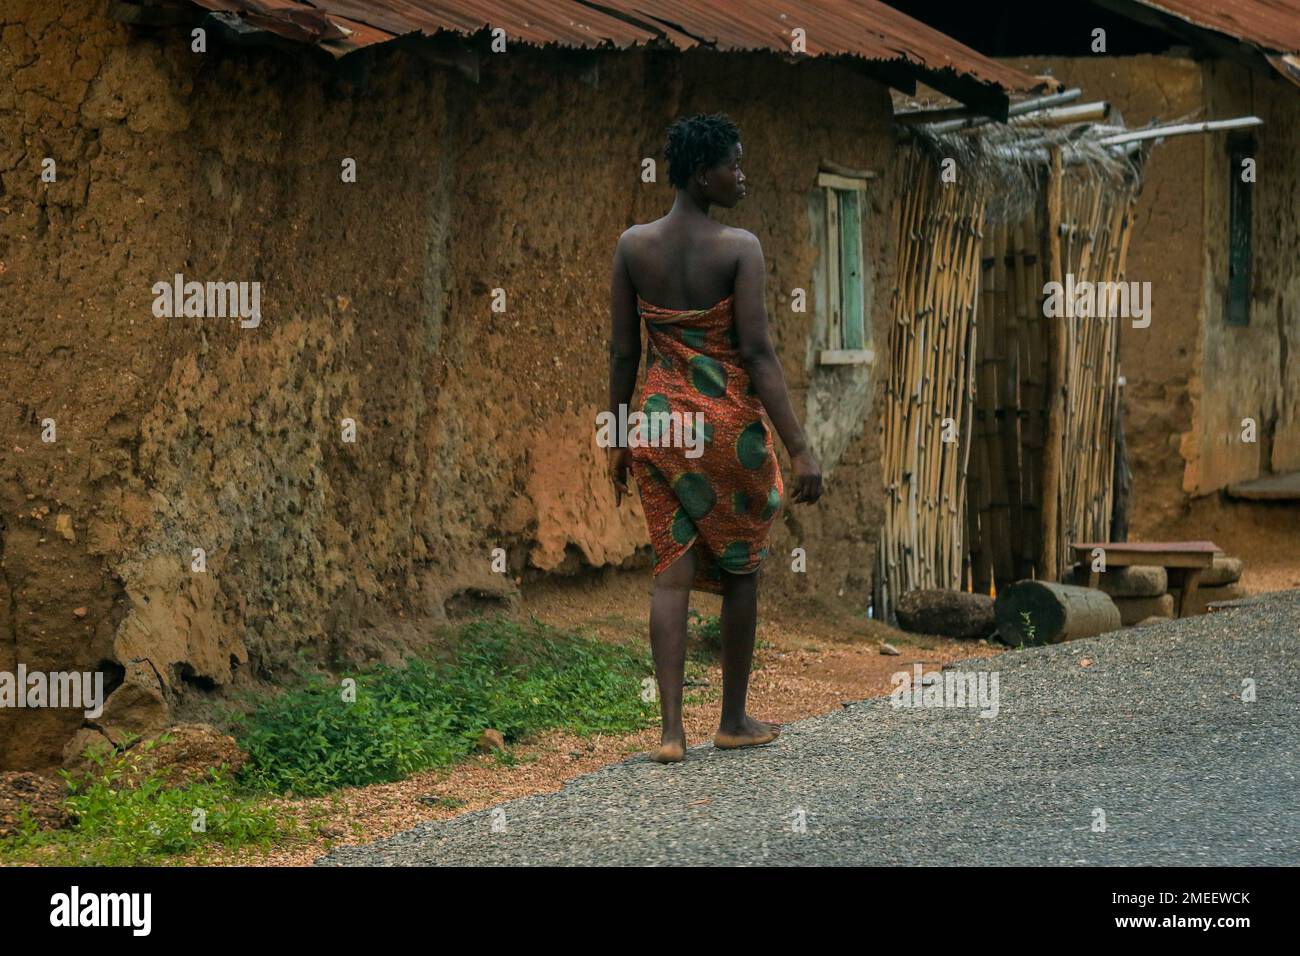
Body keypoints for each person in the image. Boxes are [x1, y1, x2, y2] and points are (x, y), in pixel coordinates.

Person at [606, 112, 823, 763]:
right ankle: (731, 719)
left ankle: (671, 734)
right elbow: (758, 353)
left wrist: (617, 435)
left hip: (658, 427)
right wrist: (799, 444)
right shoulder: (740, 248)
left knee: (670, 573)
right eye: (734, 163)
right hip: (728, 432)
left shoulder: (632, 246)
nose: (743, 173)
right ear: (704, 173)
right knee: (742, 568)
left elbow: (623, 351)